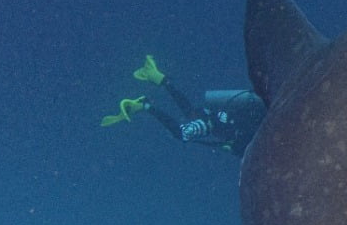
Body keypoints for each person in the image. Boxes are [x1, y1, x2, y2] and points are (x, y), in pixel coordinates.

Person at [100, 55, 265, 157]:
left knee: (190, 112)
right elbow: (246, 143)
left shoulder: (268, 117)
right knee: (183, 133)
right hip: (221, 123)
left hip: (219, 119)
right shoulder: (264, 130)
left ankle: (160, 80)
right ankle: (145, 105)